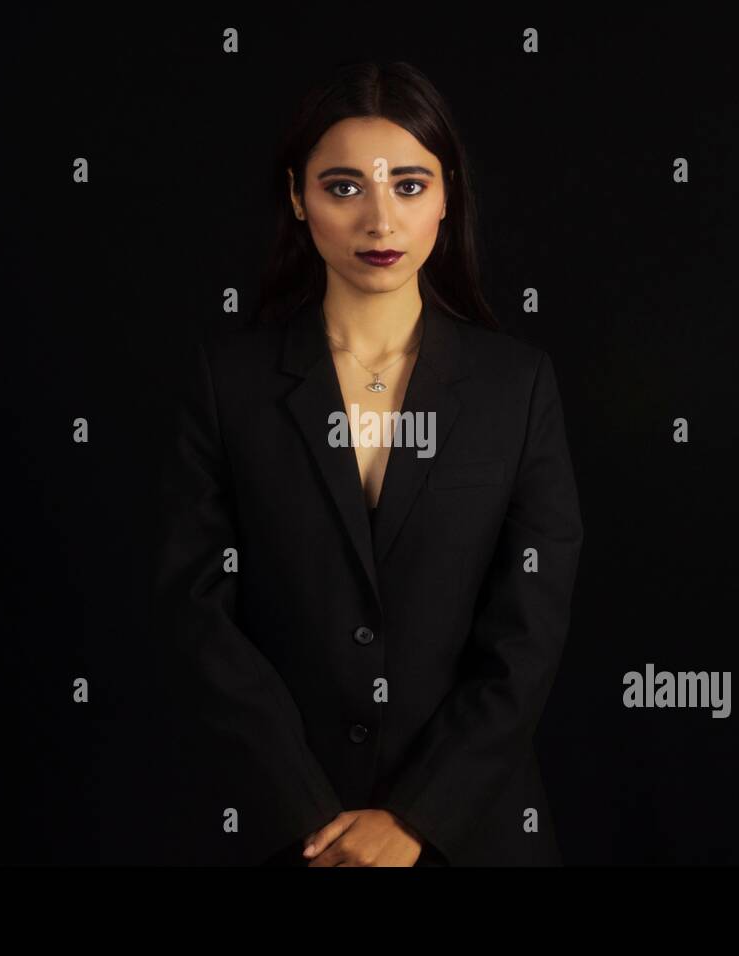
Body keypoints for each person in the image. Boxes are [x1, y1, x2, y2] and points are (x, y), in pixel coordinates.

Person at [154, 61, 583, 866]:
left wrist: (416, 818)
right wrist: (311, 815)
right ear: (296, 197)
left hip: (472, 835)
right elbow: (195, 613)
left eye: (410, 186)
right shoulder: (228, 381)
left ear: (447, 196)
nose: (379, 220)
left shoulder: (516, 387)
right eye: (344, 187)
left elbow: (528, 633)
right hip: (276, 828)